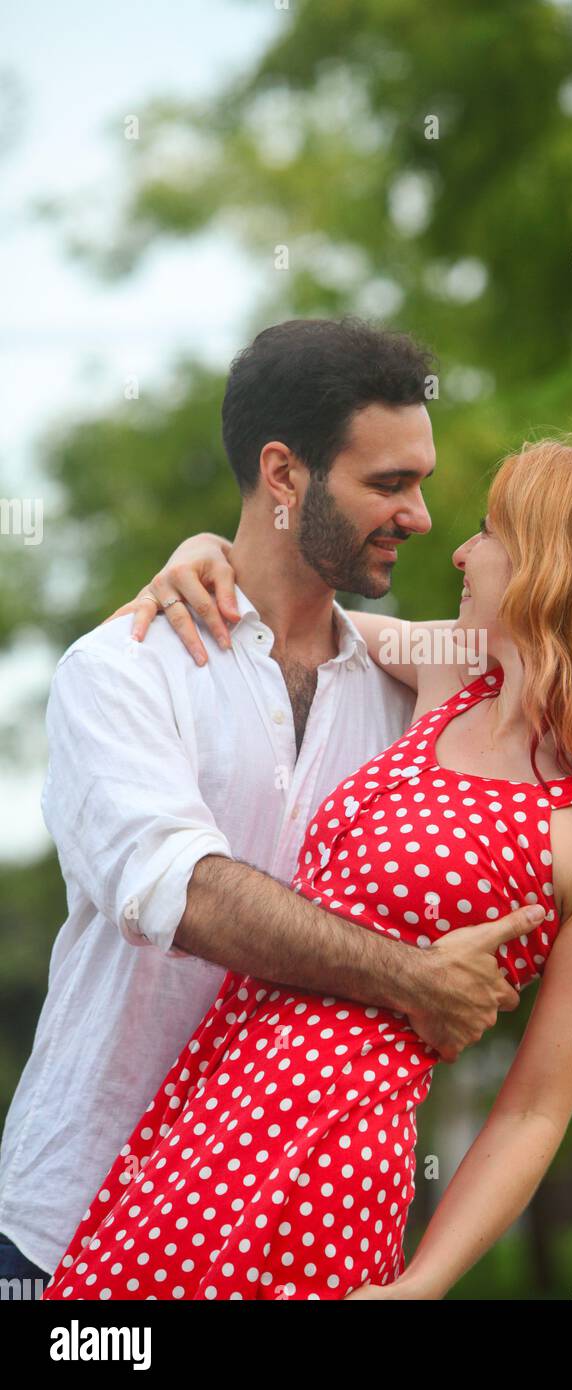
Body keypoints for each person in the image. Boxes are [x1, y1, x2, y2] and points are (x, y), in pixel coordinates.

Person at [43, 437, 572, 1300]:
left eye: (491, 531)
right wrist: (202, 554)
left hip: (332, 1157)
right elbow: (276, 622)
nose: (459, 548)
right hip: (202, 1109)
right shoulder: (449, 674)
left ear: (561, 565)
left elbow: (534, 1110)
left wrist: (424, 1283)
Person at [0, 317, 533, 1292]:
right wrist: (413, 979)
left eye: (419, 481)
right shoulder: (121, 669)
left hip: (289, 1241)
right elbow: (185, 896)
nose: (419, 516)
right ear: (282, 476)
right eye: (387, 484)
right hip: (69, 1227)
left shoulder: (410, 690)